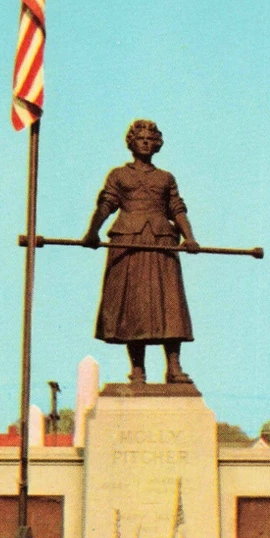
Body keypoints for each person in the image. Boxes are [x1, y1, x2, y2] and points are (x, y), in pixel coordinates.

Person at [81, 119, 199, 384]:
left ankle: (174, 366)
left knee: (170, 304)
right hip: (129, 241)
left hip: (161, 242)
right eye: (140, 138)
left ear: (157, 144)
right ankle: (137, 368)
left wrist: (190, 237)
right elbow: (106, 204)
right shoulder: (119, 175)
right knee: (134, 305)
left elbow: (177, 209)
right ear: (131, 143)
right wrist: (92, 232)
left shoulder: (165, 178)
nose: (145, 142)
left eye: (150, 139)